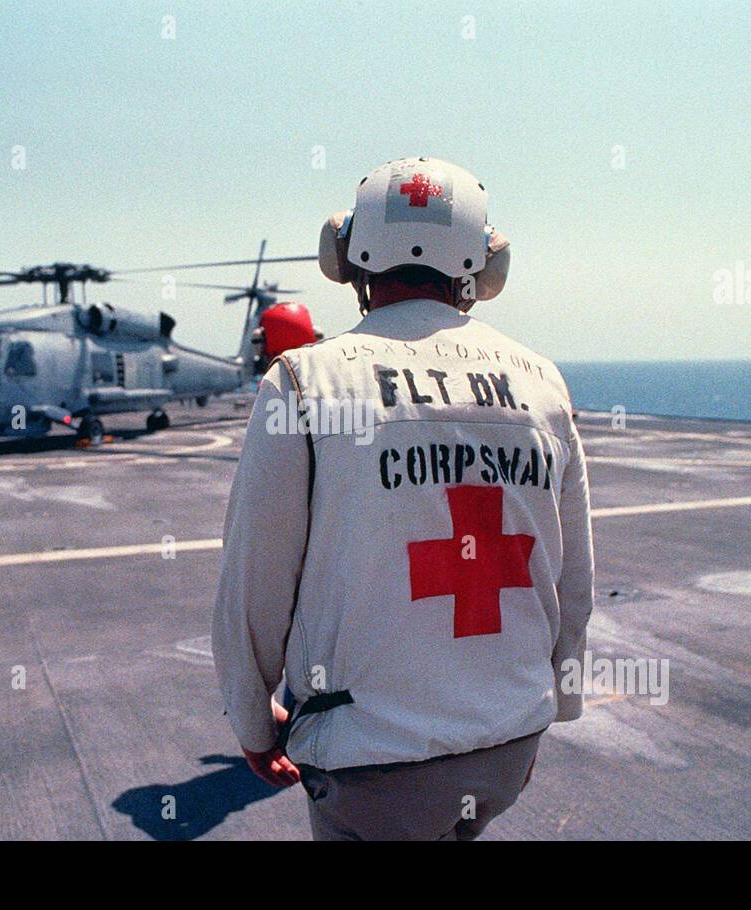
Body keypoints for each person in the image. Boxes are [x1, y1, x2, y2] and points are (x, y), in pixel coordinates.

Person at [212, 156, 594, 840]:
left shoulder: (305, 381)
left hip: (372, 765)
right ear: (481, 264)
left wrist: (250, 717)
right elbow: (573, 576)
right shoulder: (543, 382)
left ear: (350, 257)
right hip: (505, 749)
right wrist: (545, 709)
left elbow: (255, 581)